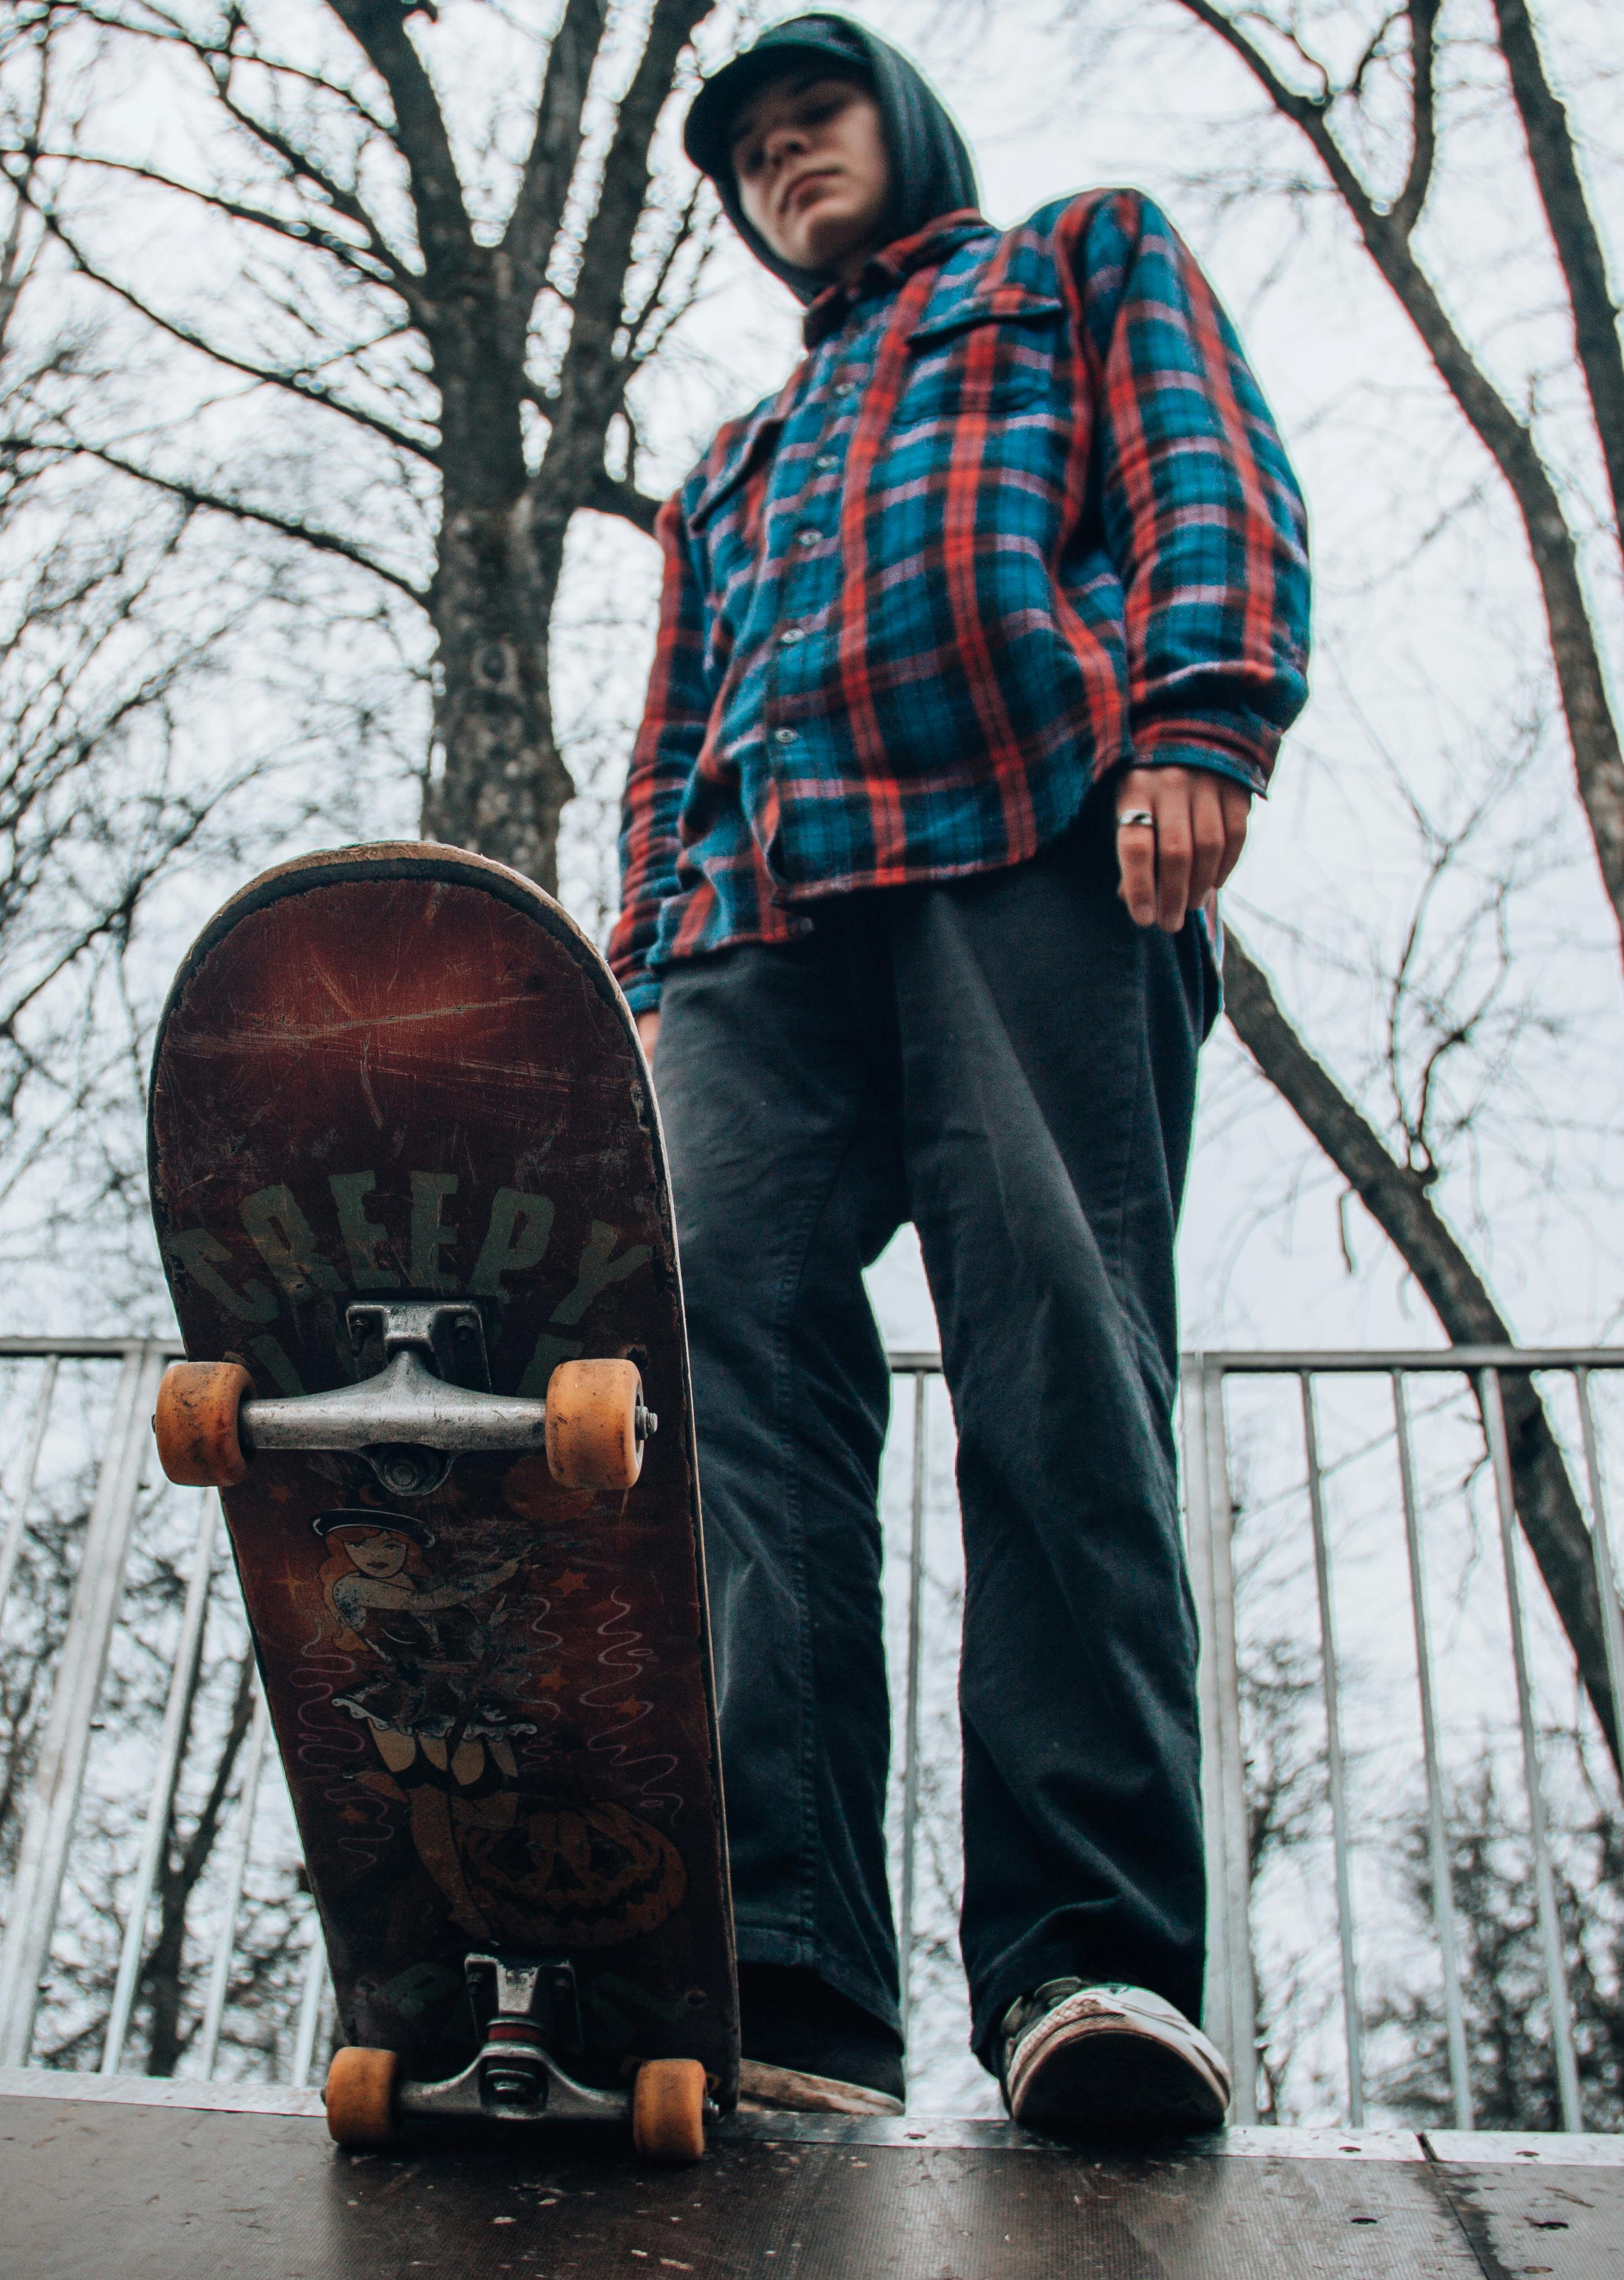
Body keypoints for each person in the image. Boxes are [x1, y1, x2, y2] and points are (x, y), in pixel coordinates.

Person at [608, 14, 1309, 2139]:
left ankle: (1087, 1961)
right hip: (754, 934)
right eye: (743, 154)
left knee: (1051, 1356)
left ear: (898, 126)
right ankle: (790, 1973)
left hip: (1031, 844)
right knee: (720, 1378)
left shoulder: (1071, 261)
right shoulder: (730, 459)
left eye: (809, 118)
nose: (779, 161)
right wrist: (643, 962)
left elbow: (1209, 478)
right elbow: (667, 736)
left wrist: (1199, 722)